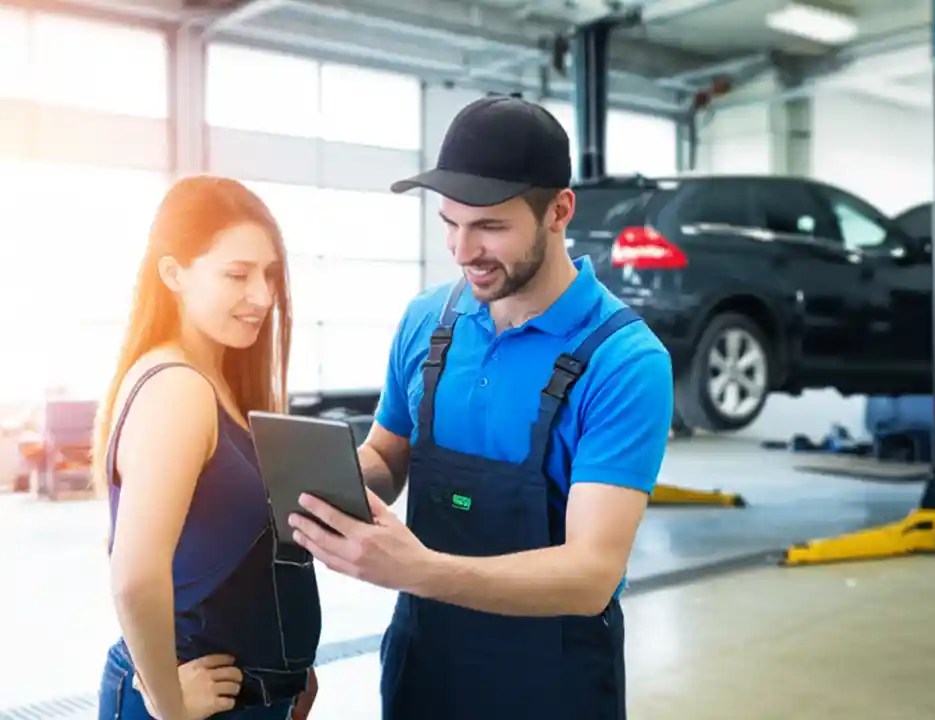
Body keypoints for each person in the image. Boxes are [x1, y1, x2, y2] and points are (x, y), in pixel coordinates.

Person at [287, 95, 674, 719]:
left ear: (559, 211)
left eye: (490, 226)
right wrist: (320, 483)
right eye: (449, 223)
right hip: (425, 662)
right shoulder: (427, 321)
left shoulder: (624, 361)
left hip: (552, 679)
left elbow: (591, 572)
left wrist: (416, 569)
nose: (463, 251)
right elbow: (389, 452)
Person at [92, 175, 320, 720]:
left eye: (269, 275)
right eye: (237, 275)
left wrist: (288, 672)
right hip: (196, 699)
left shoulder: (216, 380)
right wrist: (169, 706)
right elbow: (134, 576)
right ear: (173, 273)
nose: (263, 296)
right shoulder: (177, 388)